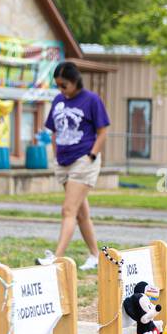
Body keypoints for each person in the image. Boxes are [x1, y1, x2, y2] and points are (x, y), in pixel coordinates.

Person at [37, 61, 109, 269]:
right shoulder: (59, 100)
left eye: (64, 85)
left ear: (75, 81)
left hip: (83, 160)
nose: (61, 90)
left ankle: (56, 258)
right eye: (58, 85)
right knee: (80, 213)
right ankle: (95, 255)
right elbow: (53, 130)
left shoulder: (91, 100)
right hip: (64, 161)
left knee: (68, 210)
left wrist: (92, 155)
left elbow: (102, 130)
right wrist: (56, 153)